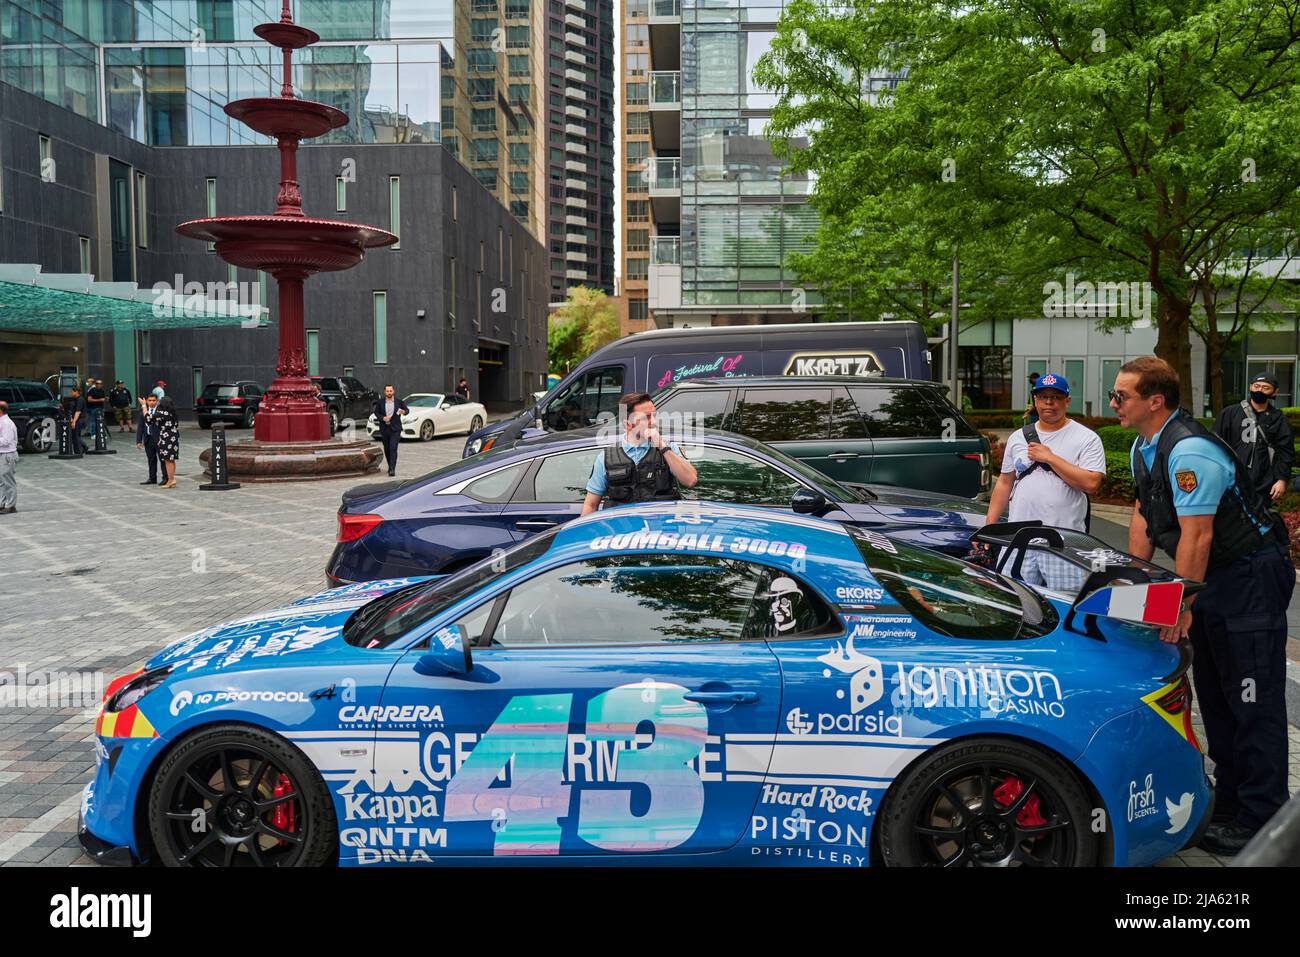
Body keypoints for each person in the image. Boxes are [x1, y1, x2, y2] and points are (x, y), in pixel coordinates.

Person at [1112, 356, 1293, 856]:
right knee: (1215, 696)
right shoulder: (1144, 448)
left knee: (1252, 701)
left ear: (1155, 400)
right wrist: (1136, 587)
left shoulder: (1190, 449)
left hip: (1249, 575)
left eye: (1120, 395)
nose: (1112, 404)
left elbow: (1199, 533)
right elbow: (1143, 519)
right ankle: (1232, 804)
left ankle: (1263, 818)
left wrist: (1178, 606)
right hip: (1211, 576)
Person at [983, 372, 1105, 592]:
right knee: (1015, 603)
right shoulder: (1018, 437)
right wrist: (990, 526)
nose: (1049, 402)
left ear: (1067, 401)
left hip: (1064, 542)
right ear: (1035, 400)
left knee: (1065, 604)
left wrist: (1049, 458)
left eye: (1056, 397)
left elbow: (1092, 483)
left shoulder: (1086, 438)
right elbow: (1004, 482)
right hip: (1019, 540)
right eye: (1043, 396)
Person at [581, 392, 698, 515]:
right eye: (646, 417)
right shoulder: (606, 457)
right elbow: (591, 505)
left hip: (661, 531)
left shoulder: (668, 448)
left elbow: (690, 480)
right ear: (628, 424)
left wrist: (662, 446)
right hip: (622, 532)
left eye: (654, 415)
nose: (653, 422)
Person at [1213, 372, 1294, 505]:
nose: (1260, 390)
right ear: (1250, 387)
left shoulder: (1279, 419)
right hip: (1231, 480)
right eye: (1257, 386)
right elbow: (1215, 445)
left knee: (1259, 521)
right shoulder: (1230, 413)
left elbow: (1285, 451)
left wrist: (1282, 479)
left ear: (1274, 392)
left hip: (1263, 483)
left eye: (1265, 387)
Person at [372, 385, 409, 477]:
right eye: (387, 391)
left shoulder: (399, 402)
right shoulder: (380, 402)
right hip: (384, 429)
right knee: (387, 449)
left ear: (393, 391)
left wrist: (404, 412)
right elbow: (376, 413)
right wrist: (383, 418)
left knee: (393, 448)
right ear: (385, 392)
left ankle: (392, 469)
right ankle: (390, 466)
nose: (389, 392)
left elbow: (407, 410)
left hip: (395, 429)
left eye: (391, 391)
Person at [135, 393, 163, 485]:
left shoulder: (159, 411)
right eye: (149, 400)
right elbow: (140, 427)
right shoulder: (143, 411)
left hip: (158, 439)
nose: (151, 402)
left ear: (157, 401)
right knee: (151, 459)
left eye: (153, 400)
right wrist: (139, 440)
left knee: (162, 459)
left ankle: (165, 478)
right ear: (147, 401)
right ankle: (152, 478)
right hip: (148, 438)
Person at [154, 396, 180, 488]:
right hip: (173, 437)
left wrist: (144, 406)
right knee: (171, 459)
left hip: (167, 438)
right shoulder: (172, 413)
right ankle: (171, 479)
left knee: (167, 459)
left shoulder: (163, 413)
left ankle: (171, 480)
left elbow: (148, 418)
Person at [0, 400, 18, 514]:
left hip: (7, 455)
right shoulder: (2, 421)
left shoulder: (6, 423)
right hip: (3, 454)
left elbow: (6, 440)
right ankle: (2, 503)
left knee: (8, 481)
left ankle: (11, 505)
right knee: (2, 481)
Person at [66, 386, 87, 455]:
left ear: (76, 392)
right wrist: (71, 418)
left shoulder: (80, 399)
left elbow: (78, 411)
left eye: (72, 391)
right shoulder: (74, 399)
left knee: (76, 435)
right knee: (75, 435)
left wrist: (74, 421)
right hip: (75, 419)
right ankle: (84, 447)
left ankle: (79, 450)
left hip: (79, 420)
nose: (71, 393)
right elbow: (72, 410)